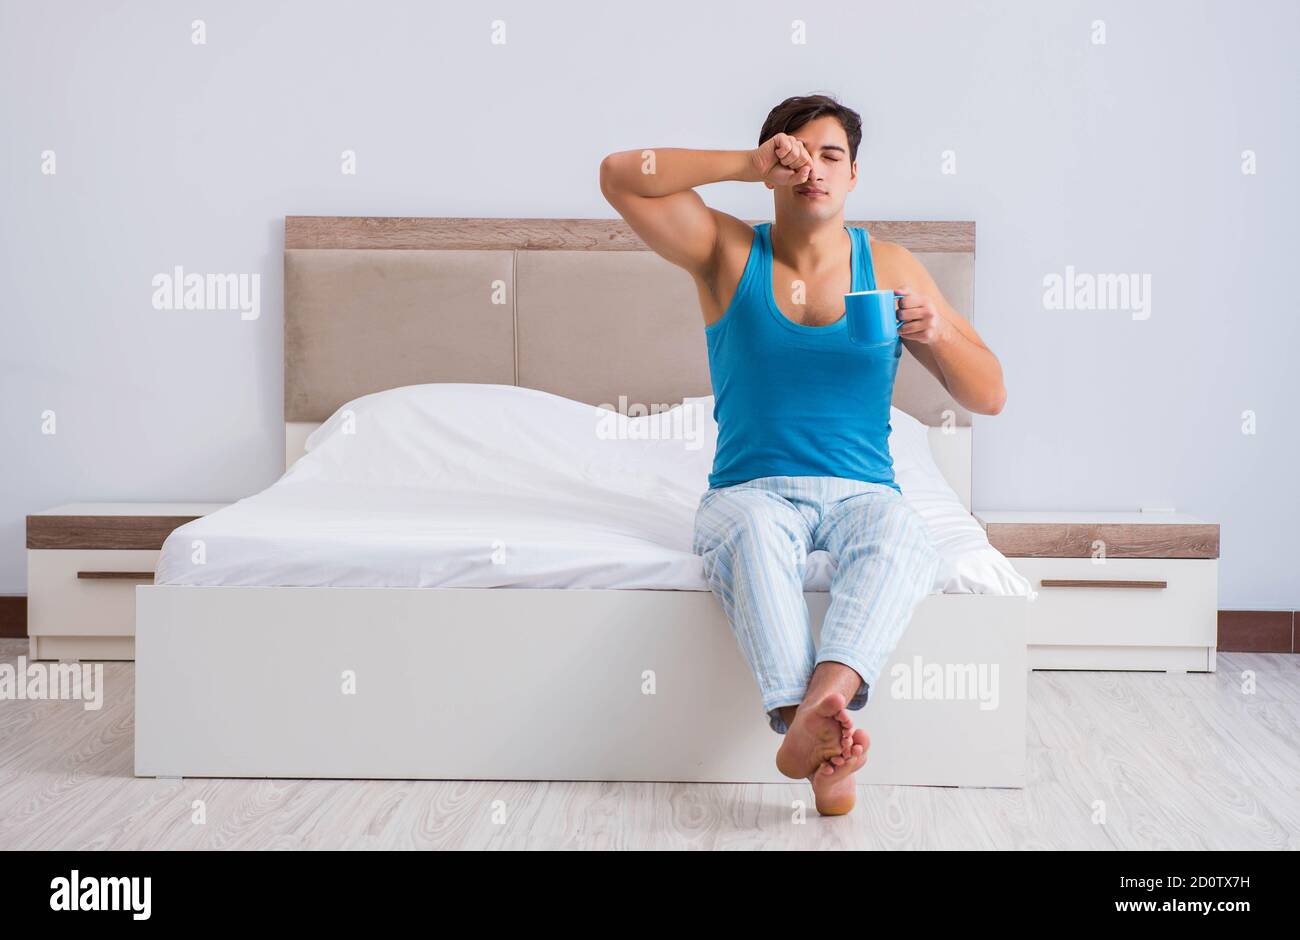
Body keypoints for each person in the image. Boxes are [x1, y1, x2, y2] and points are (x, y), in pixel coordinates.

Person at [599, 94, 1006, 815]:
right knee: (755, 537)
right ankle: (818, 734)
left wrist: (938, 331)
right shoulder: (726, 252)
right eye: (795, 154)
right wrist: (743, 164)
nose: (813, 169)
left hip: (864, 493)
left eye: (831, 156)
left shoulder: (890, 264)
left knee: (904, 537)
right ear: (774, 169)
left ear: (853, 177)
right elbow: (621, 175)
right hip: (749, 492)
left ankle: (812, 718)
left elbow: (990, 395)